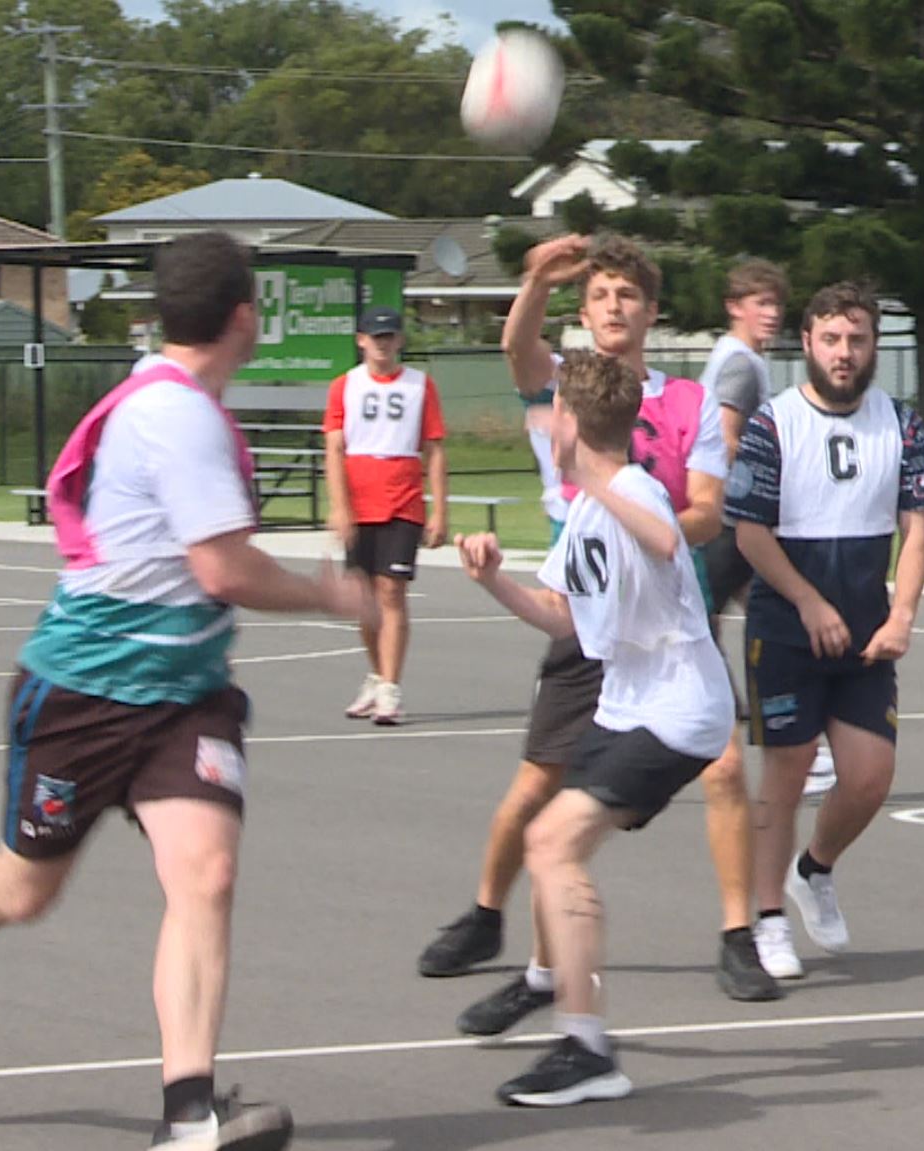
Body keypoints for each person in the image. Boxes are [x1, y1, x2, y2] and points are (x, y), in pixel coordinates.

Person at [0, 231, 371, 1151]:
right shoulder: (173, 415)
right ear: (244, 318)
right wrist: (331, 594)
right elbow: (222, 568)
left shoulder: (181, 404)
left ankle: (189, 1112)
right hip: (85, 692)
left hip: (185, 696)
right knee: (25, 891)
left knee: (206, 874)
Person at [421, 232, 781, 1017]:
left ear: (652, 311)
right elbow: (518, 349)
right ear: (582, 311)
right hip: (580, 604)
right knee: (538, 786)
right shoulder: (565, 387)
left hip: (661, 612)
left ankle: (736, 933)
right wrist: (535, 282)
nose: (614, 306)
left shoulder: (683, 402)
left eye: (628, 295)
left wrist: (635, 527)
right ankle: (488, 917)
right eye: (600, 295)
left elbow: (704, 513)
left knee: (720, 768)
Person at [457, 349, 735, 1106]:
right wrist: (493, 582)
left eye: (552, 416)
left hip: (679, 709)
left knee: (553, 844)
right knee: (550, 833)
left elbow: (667, 539)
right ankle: (552, 980)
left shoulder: (629, 490)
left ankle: (587, 1048)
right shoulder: (586, 507)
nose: (544, 428)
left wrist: (590, 481)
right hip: (627, 702)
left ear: (571, 424)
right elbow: (564, 618)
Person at [725, 281, 924, 980]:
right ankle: (767, 920)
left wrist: (902, 613)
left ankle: (813, 868)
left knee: (871, 776)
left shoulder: (901, 424)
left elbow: (916, 529)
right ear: (808, 342)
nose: (844, 352)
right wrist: (809, 603)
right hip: (787, 628)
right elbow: (751, 533)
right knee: (785, 774)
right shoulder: (773, 422)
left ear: (875, 344)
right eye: (831, 338)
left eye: (857, 339)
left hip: (865, 633)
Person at [696, 260, 837, 800]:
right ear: (735, 306)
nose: (772, 314)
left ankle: (807, 744)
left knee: (714, 615)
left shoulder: (735, 359)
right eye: (761, 303)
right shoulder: (739, 364)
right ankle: (729, 714)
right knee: (722, 614)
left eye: (777, 305)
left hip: (738, 522)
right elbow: (729, 439)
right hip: (735, 517)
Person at [324, 304, 448, 725]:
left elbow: (434, 449)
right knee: (364, 599)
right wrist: (340, 507)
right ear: (361, 340)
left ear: (399, 340)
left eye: (390, 336)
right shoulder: (344, 386)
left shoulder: (419, 385)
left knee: (391, 592)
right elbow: (335, 449)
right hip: (360, 500)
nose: (383, 343)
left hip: (402, 499)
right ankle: (376, 675)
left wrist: (439, 510)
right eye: (375, 336)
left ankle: (391, 689)